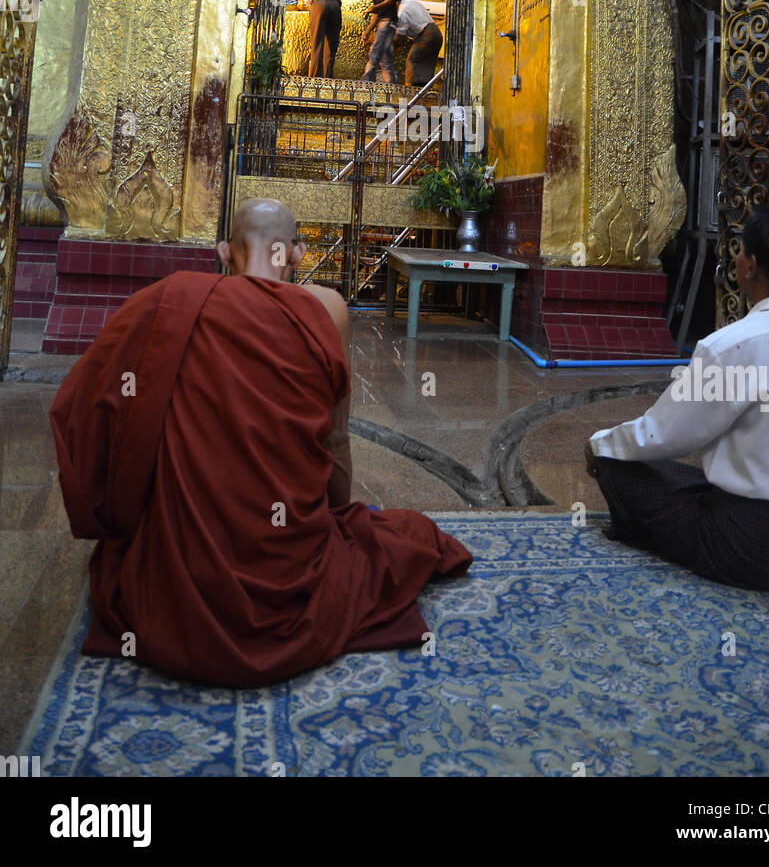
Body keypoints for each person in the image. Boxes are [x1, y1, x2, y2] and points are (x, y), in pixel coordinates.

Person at [50, 198, 472, 688]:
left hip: (178, 590)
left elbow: (85, 408)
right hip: (288, 568)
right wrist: (336, 526)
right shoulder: (326, 309)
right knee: (407, 537)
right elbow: (335, 443)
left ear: (224, 251)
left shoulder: (172, 300)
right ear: (294, 254)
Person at [584, 203, 769, 591]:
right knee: (685, 475)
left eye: (742, 251)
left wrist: (600, 446)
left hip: (745, 549)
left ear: (749, 267)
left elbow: (663, 435)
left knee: (619, 465)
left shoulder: (730, 345)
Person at [293, 0, 342, 78]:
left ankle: (316, 79)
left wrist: (302, 3)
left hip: (319, 5)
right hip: (335, 5)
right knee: (331, 44)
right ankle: (328, 78)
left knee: (317, 41)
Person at [360, 0, 400, 84]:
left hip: (388, 21)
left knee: (375, 51)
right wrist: (368, 30)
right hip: (381, 22)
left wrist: (377, 7)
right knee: (385, 58)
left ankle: (365, 83)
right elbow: (376, 12)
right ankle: (391, 87)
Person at [396, 0, 443, 87]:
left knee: (412, 60)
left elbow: (400, 37)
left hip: (426, 35)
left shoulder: (401, 13)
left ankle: (409, 92)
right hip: (436, 33)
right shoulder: (410, 2)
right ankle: (424, 92)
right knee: (427, 65)